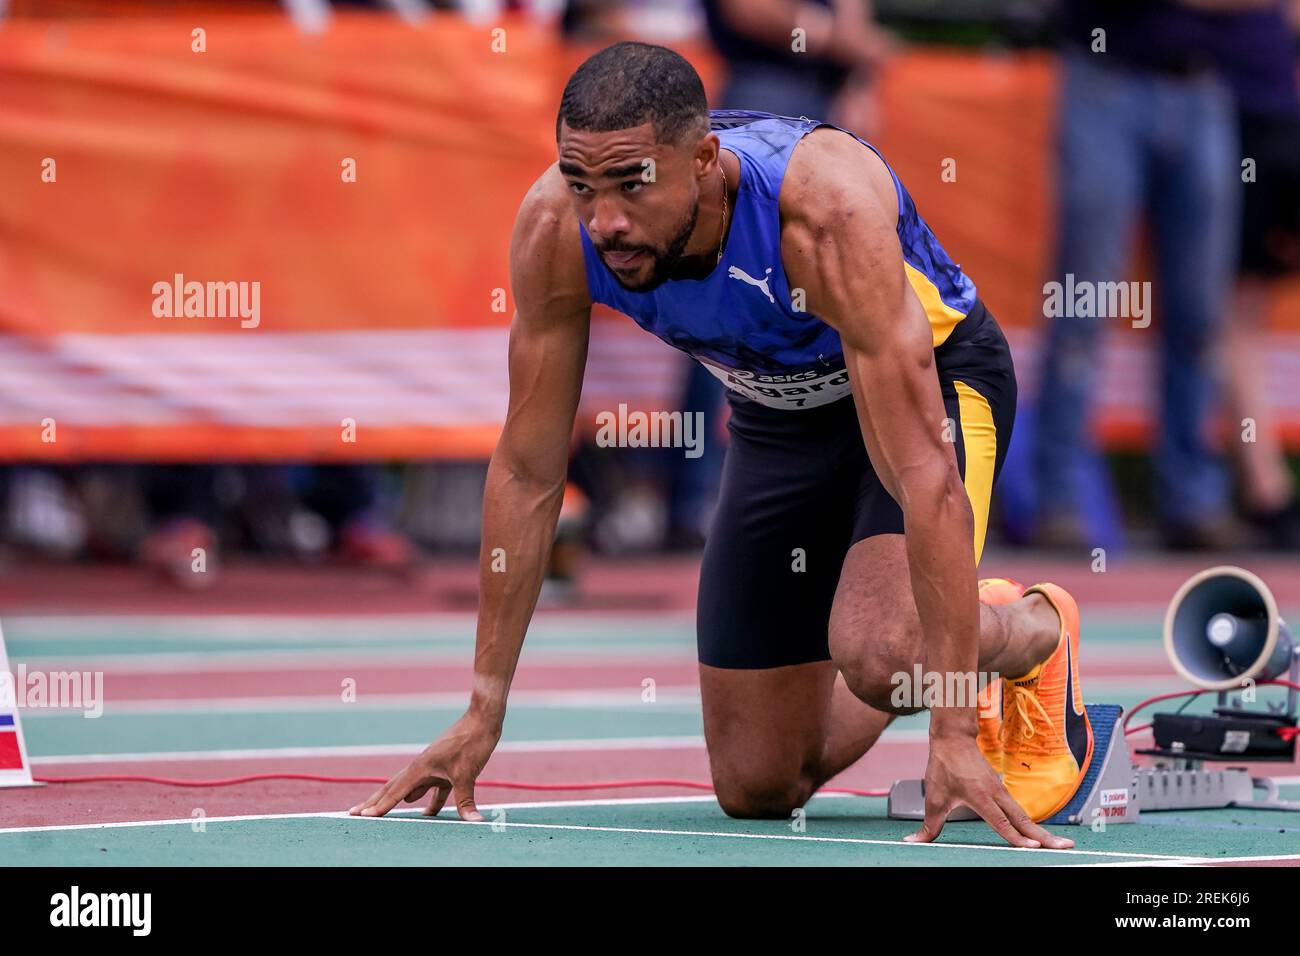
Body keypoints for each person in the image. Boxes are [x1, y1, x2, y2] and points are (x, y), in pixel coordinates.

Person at [352, 42, 1092, 848]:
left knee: (885, 654)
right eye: (581, 184)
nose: (605, 222)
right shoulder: (556, 230)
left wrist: (948, 730)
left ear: (703, 161)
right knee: (758, 786)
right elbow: (529, 470)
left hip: (934, 385)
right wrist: (481, 710)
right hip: (778, 418)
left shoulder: (821, 215)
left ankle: (1030, 633)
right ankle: (930, 631)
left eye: (632, 183)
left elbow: (925, 476)